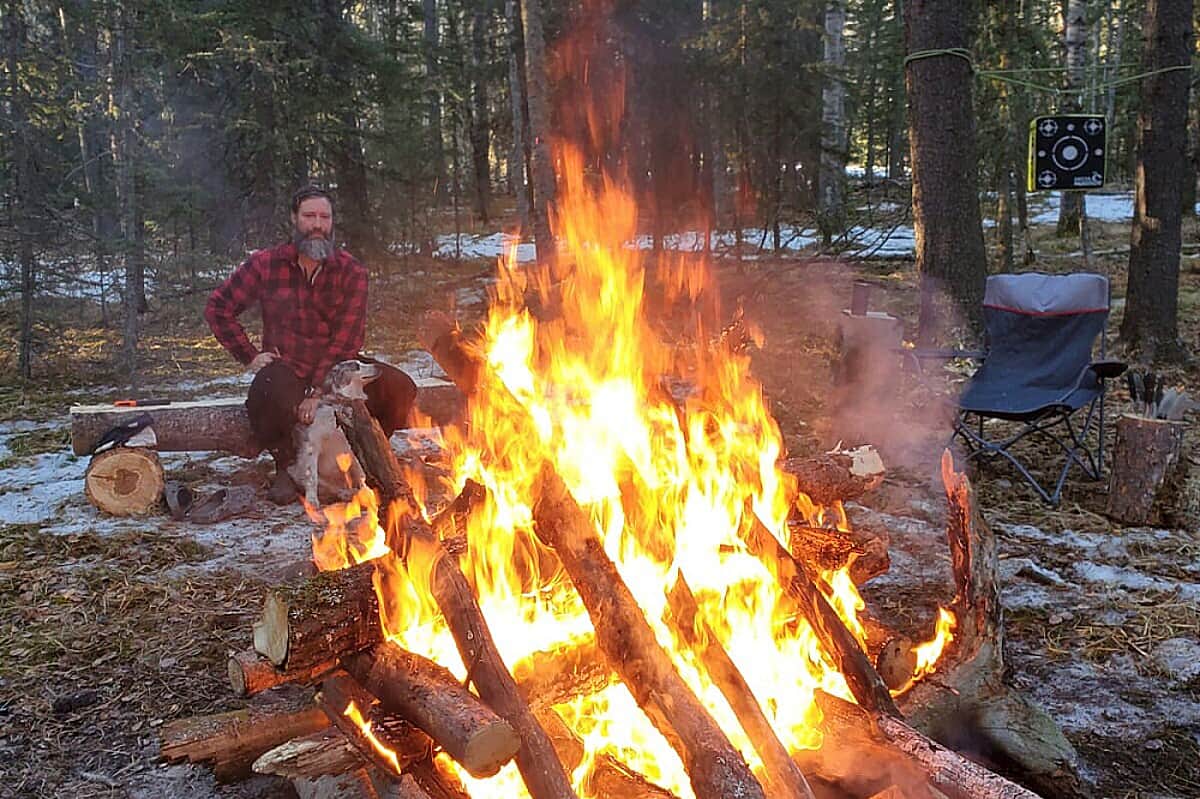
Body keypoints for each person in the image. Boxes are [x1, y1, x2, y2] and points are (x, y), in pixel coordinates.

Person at [205, 185, 417, 503]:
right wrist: (248, 354)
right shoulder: (266, 264)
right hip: (287, 366)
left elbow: (348, 338)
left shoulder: (351, 271)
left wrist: (318, 391)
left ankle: (365, 454)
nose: (317, 224)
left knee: (400, 388)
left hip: (336, 362)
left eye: (324, 217)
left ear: (331, 222)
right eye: (309, 216)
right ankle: (288, 465)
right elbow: (218, 307)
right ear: (295, 219)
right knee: (265, 393)